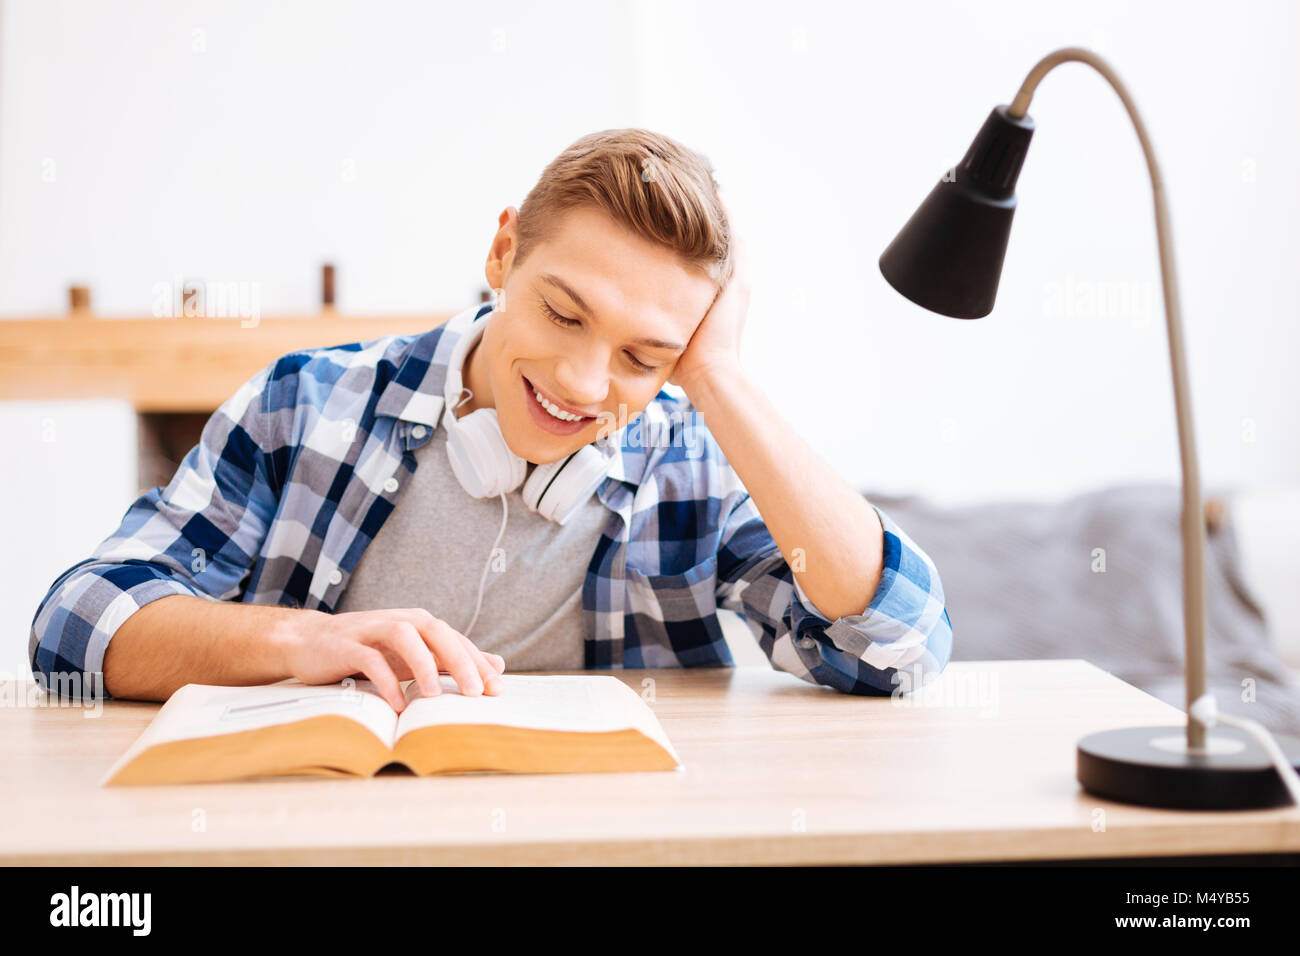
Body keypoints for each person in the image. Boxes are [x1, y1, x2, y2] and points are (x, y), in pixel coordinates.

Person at [30, 128, 952, 714]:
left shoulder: (686, 456)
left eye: (644, 355)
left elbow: (895, 651)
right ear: (503, 250)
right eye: (563, 313)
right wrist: (304, 644)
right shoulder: (306, 403)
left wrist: (716, 380)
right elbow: (75, 623)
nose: (583, 383)